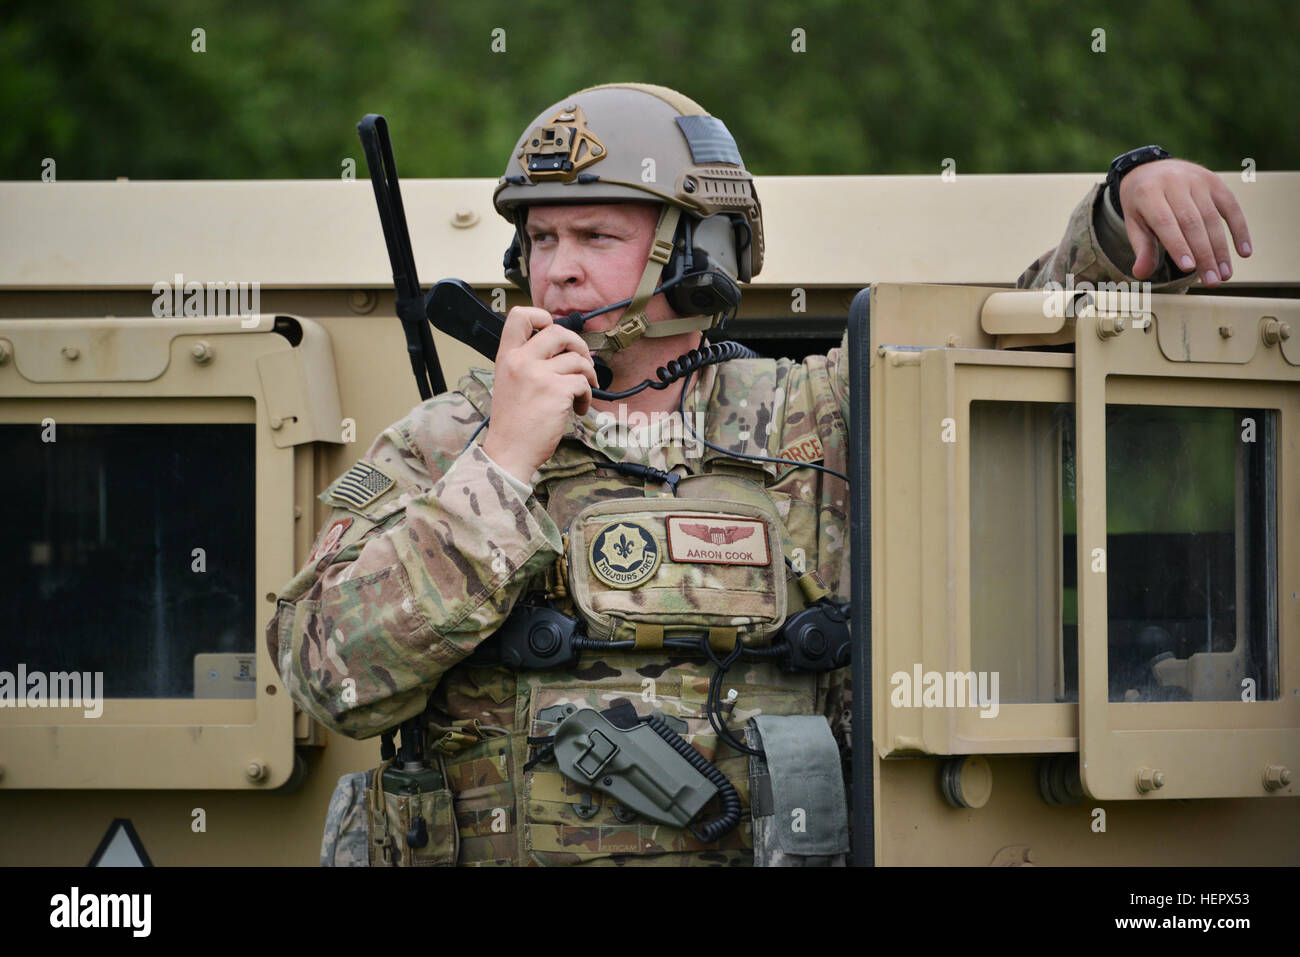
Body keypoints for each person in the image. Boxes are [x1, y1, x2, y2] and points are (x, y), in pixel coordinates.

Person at [266, 83, 1252, 867]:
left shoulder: (811, 418)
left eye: (596, 238)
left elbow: (1015, 350)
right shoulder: (445, 442)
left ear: (699, 253)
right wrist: (505, 456)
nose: (558, 270)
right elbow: (330, 680)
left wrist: (1122, 216)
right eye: (543, 241)